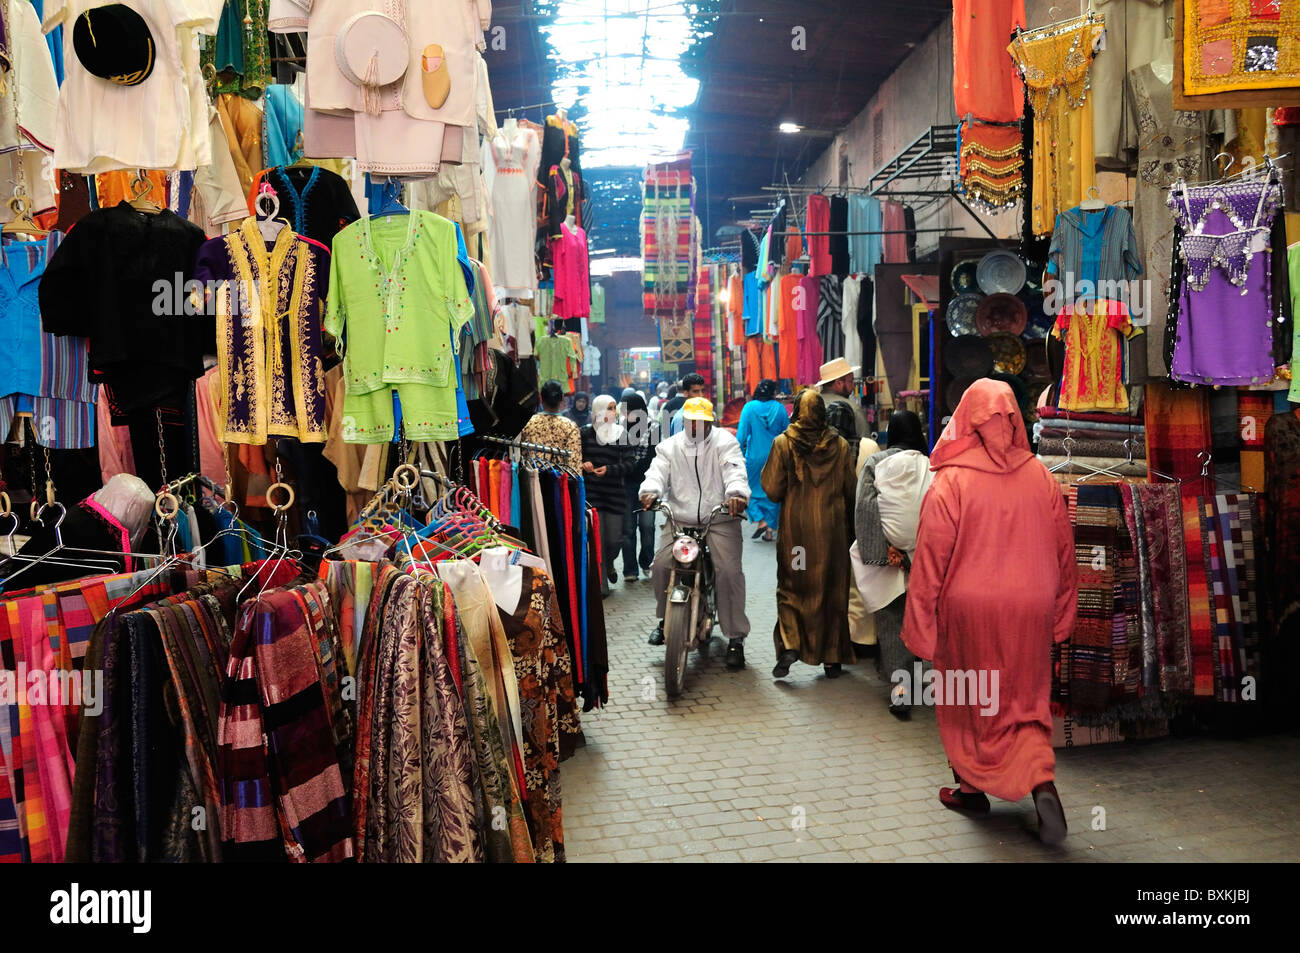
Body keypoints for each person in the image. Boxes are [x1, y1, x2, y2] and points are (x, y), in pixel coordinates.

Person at [900, 379, 1076, 845]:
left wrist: (921, 628)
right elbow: (1065, 552)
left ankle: (971, 787)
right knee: (1024, 699)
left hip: (970, 609)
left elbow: (930, 561)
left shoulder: (951, 480)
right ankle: (1040, 780)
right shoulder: (1040, 475)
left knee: (969, 695)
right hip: (1030, 607)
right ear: (1017, 419)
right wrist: (1061, 612)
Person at [638, 397, 751, 670]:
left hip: (720, 519)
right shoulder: (669, 447)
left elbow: (735, 471)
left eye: (702, 421)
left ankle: (736, 636)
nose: (697, 426)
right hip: (680, 520)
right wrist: (650, 491)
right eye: (692, 421)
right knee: (662, 566)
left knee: (729, 573)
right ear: (684, 421)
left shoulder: (726, 443)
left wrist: (736, 495)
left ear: (711, 421)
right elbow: (656, 473)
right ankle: (666, 619)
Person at [763, 389, 859, 679]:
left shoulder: (783, 443)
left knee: (794, 588)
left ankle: (792, 643)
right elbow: (851, 490)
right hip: (831, 535)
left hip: (797, 538)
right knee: (831, 590)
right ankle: (831, 658)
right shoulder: (840, 445)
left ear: (795, 411)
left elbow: (772, 489)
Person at [853, 410, 930, 718]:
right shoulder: (932, 464)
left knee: (892, 622)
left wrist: (882, 553)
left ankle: (901, 693)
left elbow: (865, 507)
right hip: (926, 558)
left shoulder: (876, 463)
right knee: (921, 620)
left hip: (890, 557)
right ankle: (921, 683)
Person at [580, 395, 633, 596]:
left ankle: (610, 563)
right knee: (597, 541)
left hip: (615, 495)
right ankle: (601, 586)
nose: (613, 412)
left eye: (614, 408)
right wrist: (584, 465)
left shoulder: (622, 434)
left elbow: (630, 463)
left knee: (614, 540)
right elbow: (576, 458)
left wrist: (609, 469)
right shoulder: (585, 433)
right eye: (609, 408)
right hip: (592, 496)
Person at [735, 379, 788, 541]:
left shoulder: (749, 408)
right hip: (775, 456)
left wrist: (735, 455)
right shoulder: (780, 408)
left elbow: (741, 435)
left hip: (754, 458)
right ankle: (770, 529)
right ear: (773, 393)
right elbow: (787, 433)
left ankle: (760, 520)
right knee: (772, 491)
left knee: (749, 489)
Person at [619, 388, 657, 580]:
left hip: (648, 484)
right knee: (627, 529)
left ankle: (647, 562)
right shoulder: (618, 427)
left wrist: (630, 467)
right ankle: (630, 570)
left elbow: (653, 456)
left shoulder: (654, 427)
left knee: (647, 526)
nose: (625, 414)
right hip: (626, 485)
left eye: (628, 410)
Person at [519, 379, 583, 467]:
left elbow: (521, 455)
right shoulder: (570, 426)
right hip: (559, 479)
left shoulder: (528, 422)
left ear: (541, 398)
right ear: (562, 399)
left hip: (531, 476)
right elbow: (575, 464)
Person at [816, 357, 868, 443]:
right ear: (839, 383)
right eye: (850, 381)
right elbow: (865, 444)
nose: (853, 386)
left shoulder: (811, 405)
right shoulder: (852, 409)